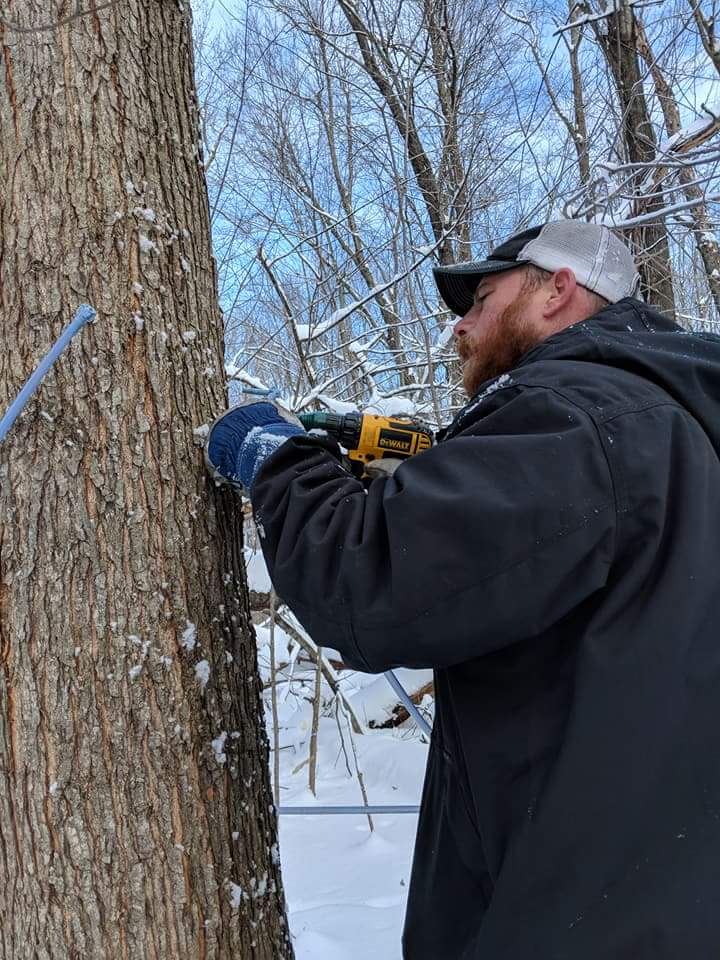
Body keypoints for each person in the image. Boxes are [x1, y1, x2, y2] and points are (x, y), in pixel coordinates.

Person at [205, 220, 720, 959]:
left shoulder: (580, 417)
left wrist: (281, 458)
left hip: (578, 918)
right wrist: (419, 474)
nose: (461, 323)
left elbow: (367, 578)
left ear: (559, 291)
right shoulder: (675, 426)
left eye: (482, 297)